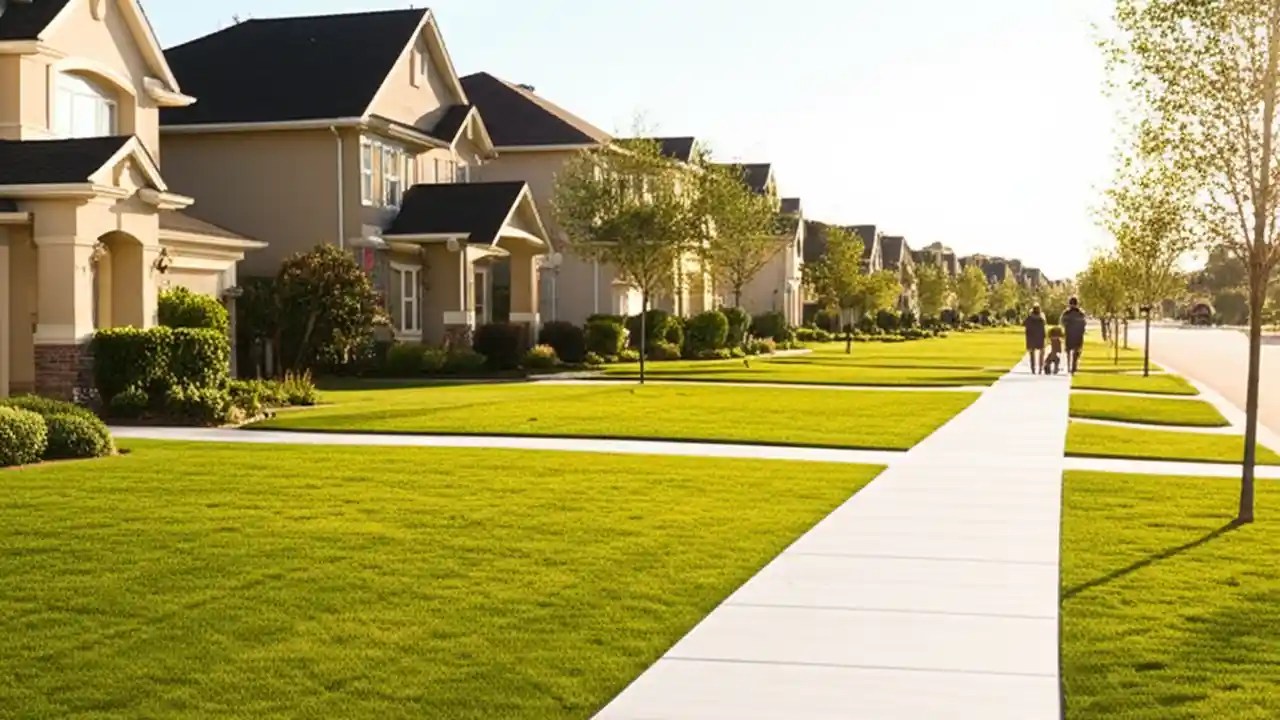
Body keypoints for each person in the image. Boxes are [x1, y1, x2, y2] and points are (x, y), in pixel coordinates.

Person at [1061, 297, 1088, 374]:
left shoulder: (1066, 313)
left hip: (1070, 334)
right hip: (1077, 335)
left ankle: (1070, 366)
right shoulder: (1080, 313)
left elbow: (1062, 322)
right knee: (1076, 351)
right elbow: (1084, 323)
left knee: (1070, 351)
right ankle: (1072, 367)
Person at [1023, 305, 1046, 374]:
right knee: (1041, 352)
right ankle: (1040, 368)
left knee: (1032, 353)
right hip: (1039, 337)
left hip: (1031, 337)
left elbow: (1024, 324)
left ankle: (1033, 368)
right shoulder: (1041, 318)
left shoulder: (1029, 318)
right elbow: (1043, 328)